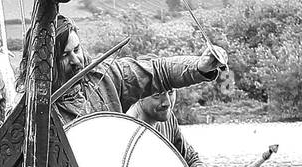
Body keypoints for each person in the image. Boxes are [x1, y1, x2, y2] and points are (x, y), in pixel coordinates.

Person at [19, 15, 227, 124]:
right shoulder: (29, 109)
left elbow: (158, 71)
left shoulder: (103, 77)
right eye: (65, 55)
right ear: (45, 64)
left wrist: (200, 66)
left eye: (77, 49)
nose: (76, 60)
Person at [130, 89, 228, 167]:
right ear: (138, 96)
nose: (167, 103)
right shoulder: (120, 124)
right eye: (157, 95)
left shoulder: (167, 119)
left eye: (170, 92)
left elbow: (190, 160)